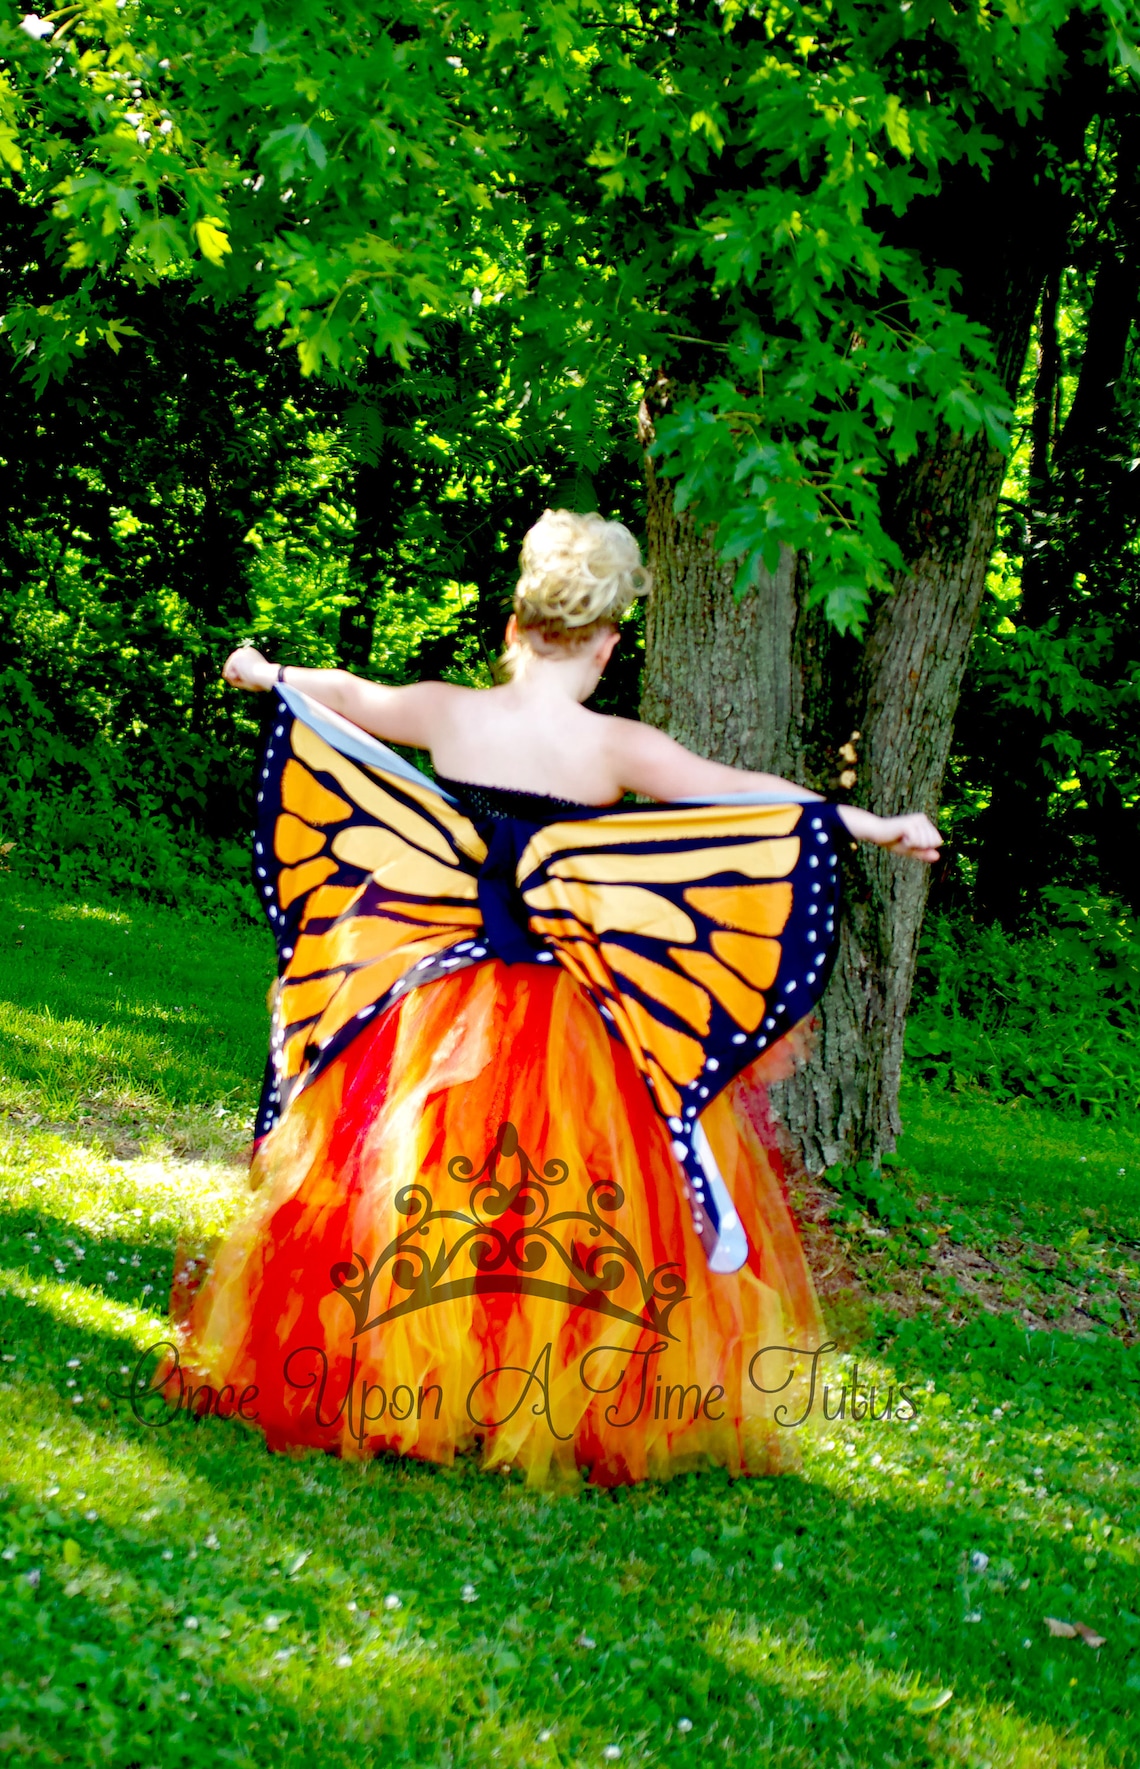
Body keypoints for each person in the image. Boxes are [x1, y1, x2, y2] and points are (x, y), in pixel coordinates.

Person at [178, 509, 940, 1487]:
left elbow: (349, 696)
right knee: (586, 1200)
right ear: (609, 642)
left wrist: (267, 674)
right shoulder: (616, 746)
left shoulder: (452, 711)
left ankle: (399, 1366)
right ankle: (564, 1392)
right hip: (580, 1008)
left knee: (421, 1178)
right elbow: (744, 793)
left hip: (443, 1001)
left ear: (512, 626)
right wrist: (871, 823)